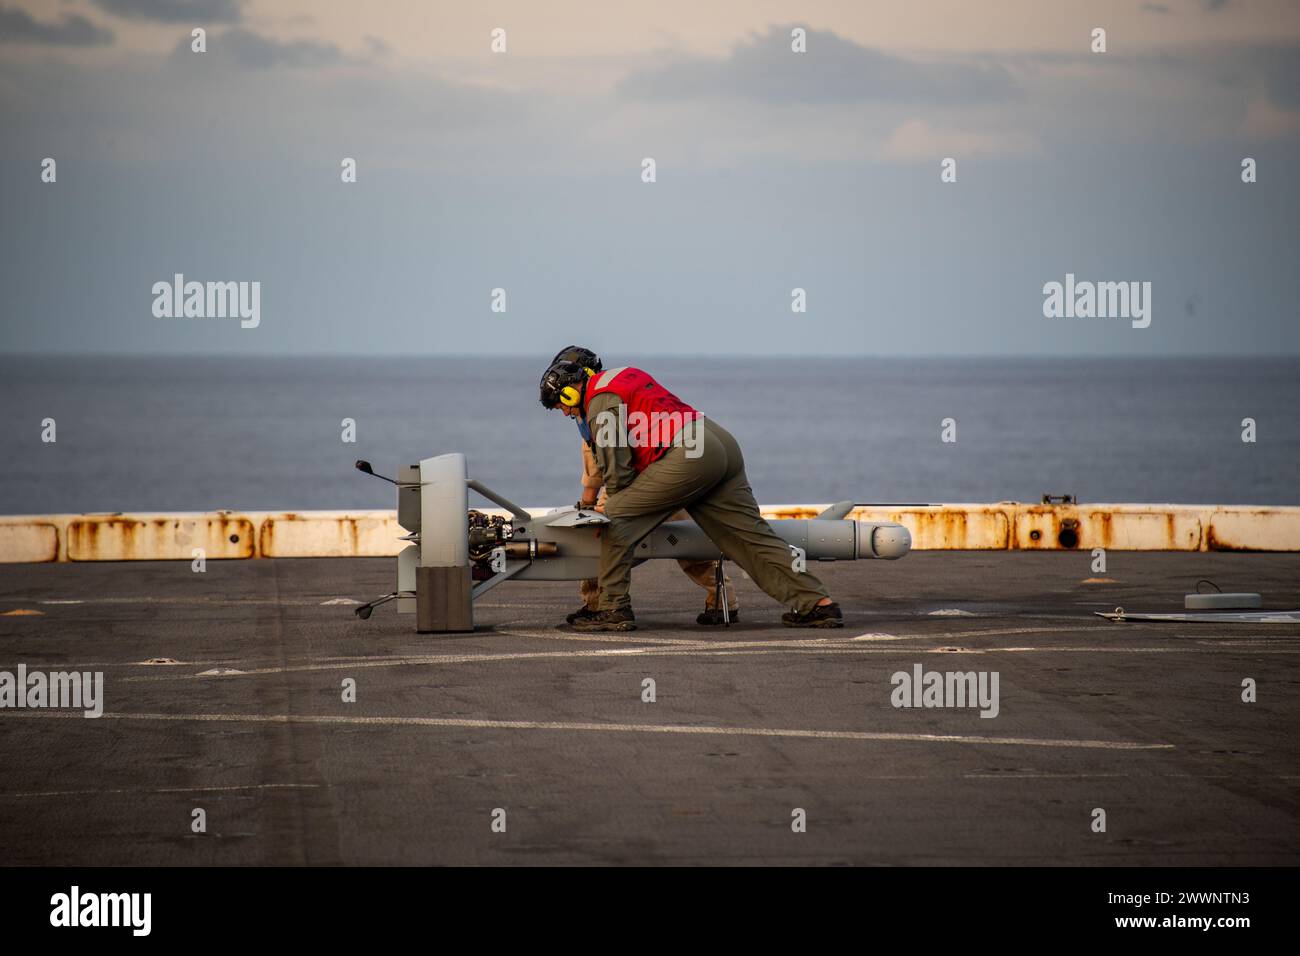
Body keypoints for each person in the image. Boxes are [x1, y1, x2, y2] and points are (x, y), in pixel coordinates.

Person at [539, 352, 842, 631]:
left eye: (562, 406)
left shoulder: (598, 402)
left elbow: (617, 473)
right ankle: (816, 603)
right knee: (748, 534)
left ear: (568, 391)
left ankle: (612, 608)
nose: (565, 413)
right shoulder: (623, 375)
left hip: (689, 456)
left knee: (615, 518)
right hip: (716, 441)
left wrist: (614, 506)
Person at [544, 347, 739, 627]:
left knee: (600, 538)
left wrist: (587, 504)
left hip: (633, 479)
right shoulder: (612, 394)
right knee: (686, 542)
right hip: (666, 472)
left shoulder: (593, 409)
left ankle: (601, 604)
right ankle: (723, 601)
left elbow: (597, 460)